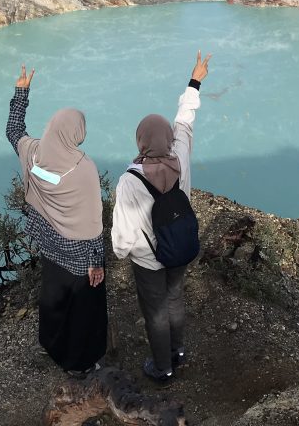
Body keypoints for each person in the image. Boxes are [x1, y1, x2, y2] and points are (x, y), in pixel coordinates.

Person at [111, 51, 211, 383]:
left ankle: (163, 368)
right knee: (175, 297)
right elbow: (184, 122)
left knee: (155, 310)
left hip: (148, 259)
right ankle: (178, 351)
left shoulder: (130, 180)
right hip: (180, 247)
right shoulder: (180, 155)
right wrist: (195, 81)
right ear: (167, 139)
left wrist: (122, 252)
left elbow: (123, 232)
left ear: (140, 141)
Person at [5, 64, 107, 376]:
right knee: (83, 312)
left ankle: (52, 345)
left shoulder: (34, 153)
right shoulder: (83, 168)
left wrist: (21, 93)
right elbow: (93, 224)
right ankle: (79, 364)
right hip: (78, 255)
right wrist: (97, 263)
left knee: (54, 300)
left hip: (49, 245)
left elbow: (14, 132)